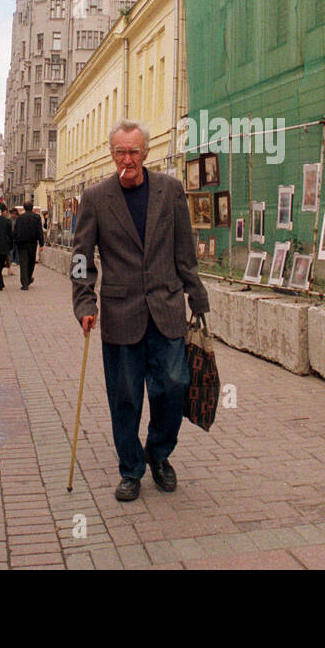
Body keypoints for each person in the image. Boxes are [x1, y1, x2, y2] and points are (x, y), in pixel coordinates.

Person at [71, 119, 209, 502]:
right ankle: (131, 469)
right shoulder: (96, 198)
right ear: (111, 153)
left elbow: (184, 250)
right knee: (126, 397)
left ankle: (159, 454)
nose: (126, 160)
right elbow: (81, 258)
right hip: (120, 314)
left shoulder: (170, 190)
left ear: (145, 152)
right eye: (120, 152)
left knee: (174, 386)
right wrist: (84, 301)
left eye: (133, 152)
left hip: (166, 310)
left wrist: (197, 297)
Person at [13, 199, 44, 290]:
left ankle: (24, 283)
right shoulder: (37, 217)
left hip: (21, 243)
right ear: (32, 208)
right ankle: (28, 278)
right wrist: (41, 243)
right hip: (32, 243)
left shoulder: (19, 218)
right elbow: (39, 231)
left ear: (24, 208)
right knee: (31, 262)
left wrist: (15, 239)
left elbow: (16, 230)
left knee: (23, 263)